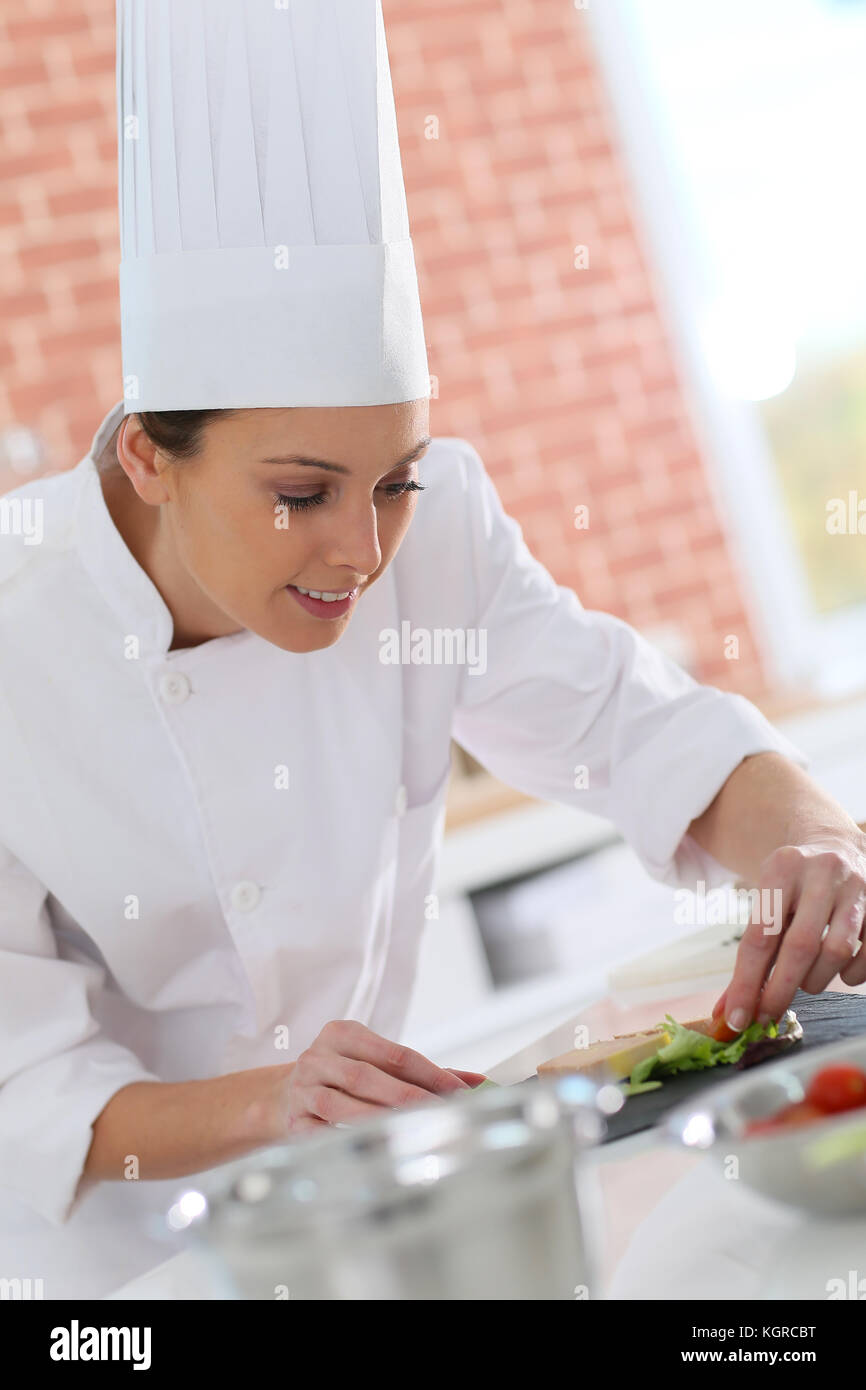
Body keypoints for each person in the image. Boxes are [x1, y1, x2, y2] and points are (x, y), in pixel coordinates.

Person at [1, 0, 864, 1300]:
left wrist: (823, 845)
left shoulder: (439, 528)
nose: (363, 550)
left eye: (394, 477)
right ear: (145, 457)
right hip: (130, 1277)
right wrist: (277, 1098)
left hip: (401, 1216)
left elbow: (639, 728)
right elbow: (27, 1088)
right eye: (301, 492)